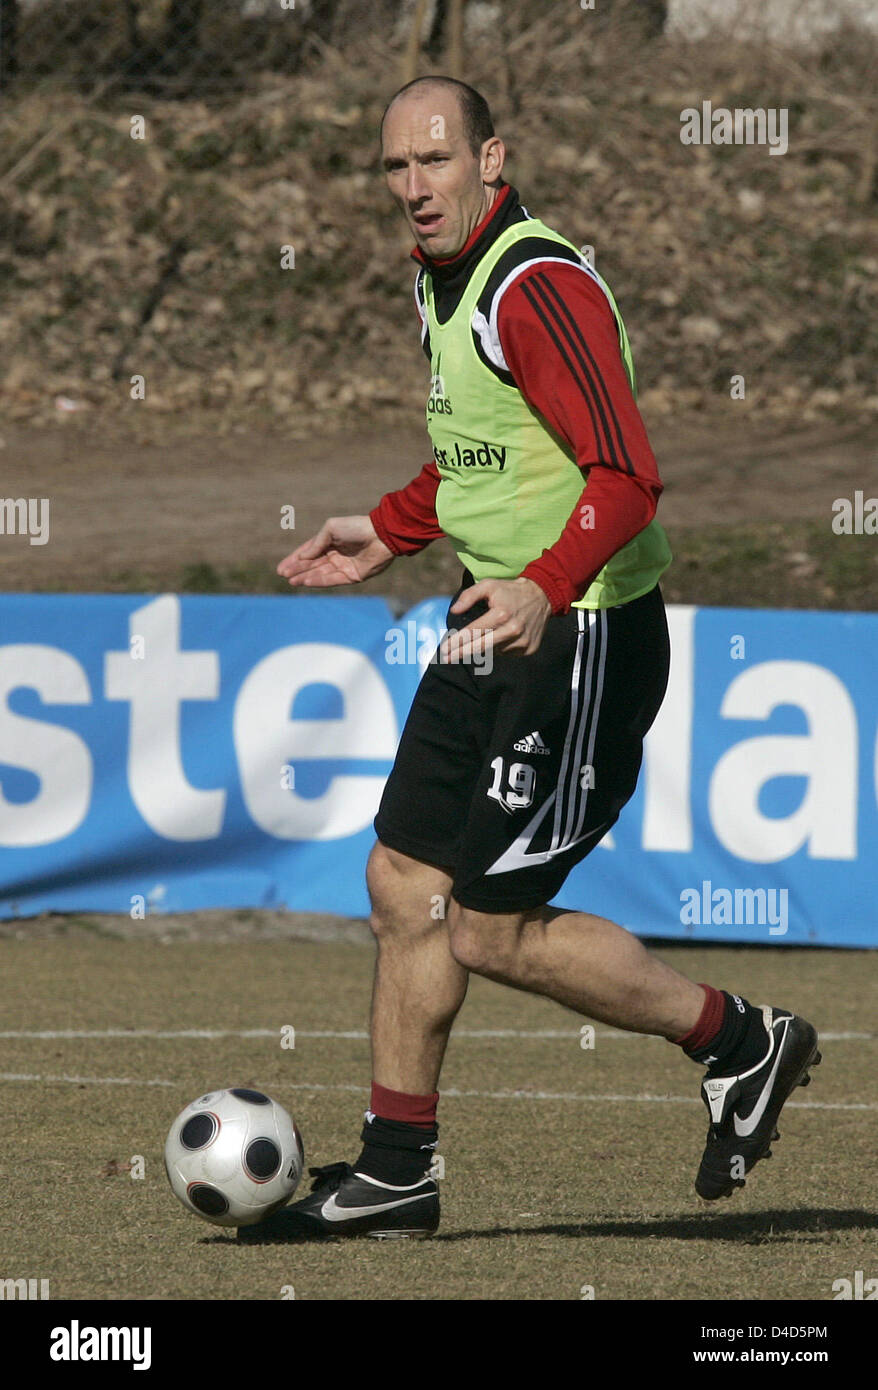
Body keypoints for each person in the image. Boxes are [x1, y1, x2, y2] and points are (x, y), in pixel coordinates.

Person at [270, 77, 819, 1239]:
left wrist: (546, 583)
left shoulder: (535, 285)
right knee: (401, 881)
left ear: (490, 158)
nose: (413, 186)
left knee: (487, 926)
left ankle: (737, 1038)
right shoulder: (441, 278)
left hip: (583, 632)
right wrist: (389, 529)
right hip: (495, 615)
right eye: (394, 167)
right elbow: (482, 452)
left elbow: (624, 473)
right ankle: (395, 1171)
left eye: (433, 159)